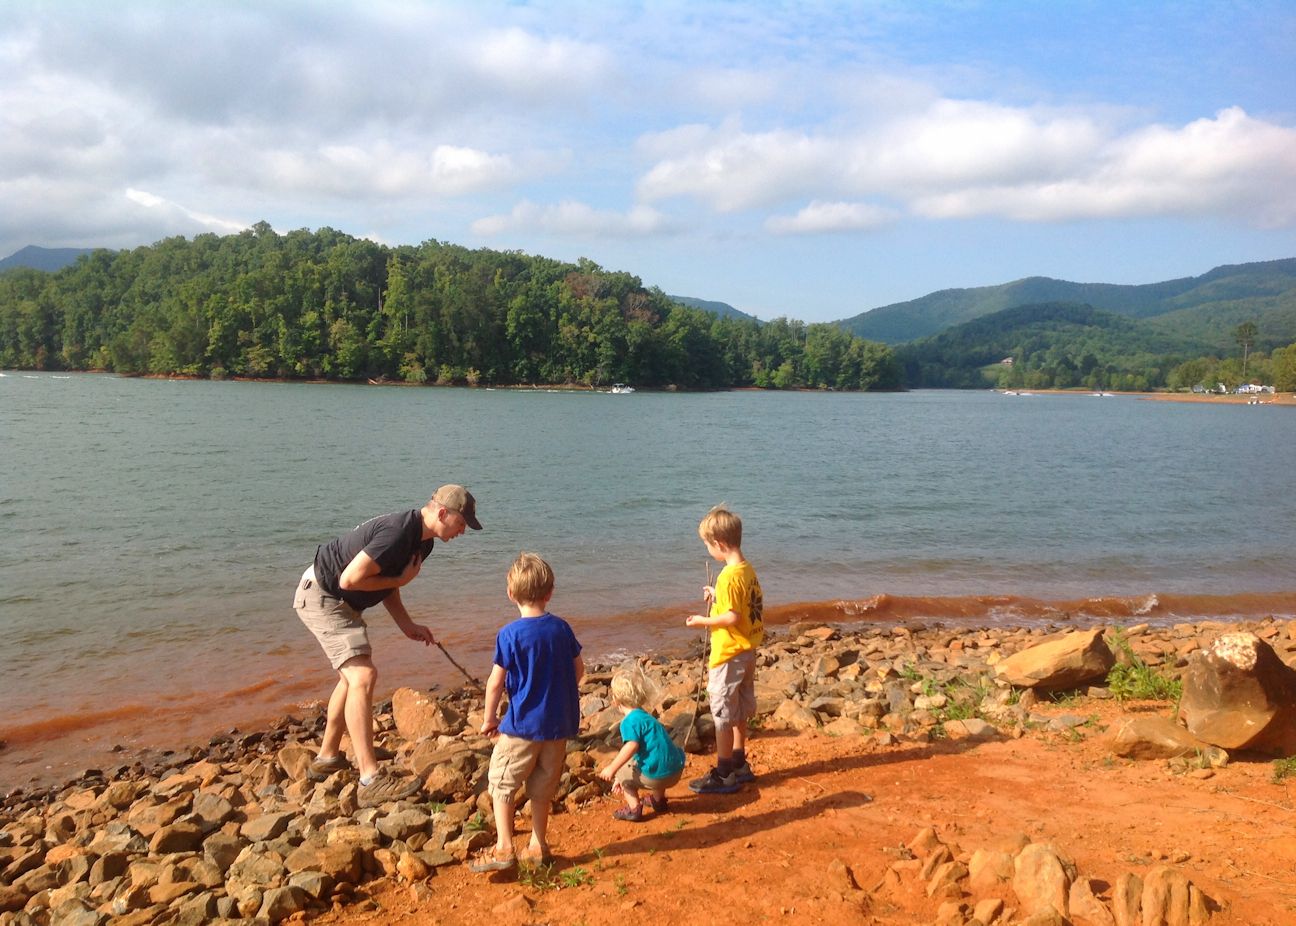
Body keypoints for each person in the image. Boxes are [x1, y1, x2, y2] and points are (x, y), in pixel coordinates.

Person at [293, 485, 481, 808]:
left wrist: (407, 625)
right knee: (363, 676)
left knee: (351, 679)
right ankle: (370, 779)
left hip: (341, 602)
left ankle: (327, 757)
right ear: (442, 513)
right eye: (462, 523)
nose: (463, 531)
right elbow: (349, 580)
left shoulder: (423, 543)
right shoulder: (396, 533)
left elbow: (387, 582)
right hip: (322, 596)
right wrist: (400, 581)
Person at [471, 552, 584, 872]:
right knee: (542, 787)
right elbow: (579, 670)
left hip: (521, 725)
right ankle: (538, 844)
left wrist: (489, 719)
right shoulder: (561, 628)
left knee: (502, 781)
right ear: (550, 592)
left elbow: (495, 683)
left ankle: (504, 847)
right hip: (557, 725)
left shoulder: (509, 634)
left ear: (511, 594)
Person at [685, 505, 764, 794]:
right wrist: (717, 596)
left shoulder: (727, 576)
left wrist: (702, 621)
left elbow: (732, 617)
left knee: (722, 715)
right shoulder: (746, 570)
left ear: (719, 544)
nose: (708, 550)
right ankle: (740, 763)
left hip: (728, 654)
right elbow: (740, 604)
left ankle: (724, 773)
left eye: (708, 545)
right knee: (740, 710)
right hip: (746, 651)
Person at [598, 665, 686, 821]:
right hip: (675, 771)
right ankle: (658, 801)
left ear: (616, 700)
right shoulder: (647, 717)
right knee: (656, 758)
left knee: (623, 774)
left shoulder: (628, 721)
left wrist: (613, 769)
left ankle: (634, 809)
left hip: (657, 777)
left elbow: (631, 746)